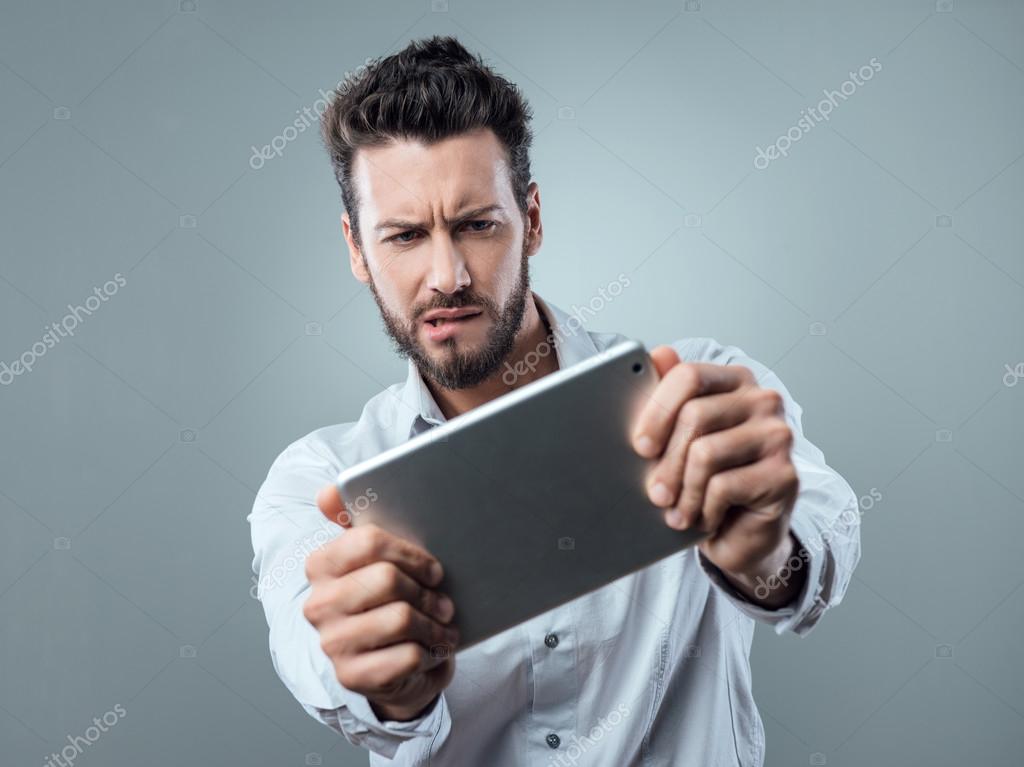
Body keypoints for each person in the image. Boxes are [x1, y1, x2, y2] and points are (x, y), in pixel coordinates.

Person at [249, 35, 861, 766]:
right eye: (405, 236)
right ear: (357, 249)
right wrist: (388, 685)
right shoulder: (316, 479)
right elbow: (313, 652)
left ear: (531, 220)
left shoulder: (698, 394)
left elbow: (824, 539)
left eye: (477, 224)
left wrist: (767, 553)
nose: (446, 275)